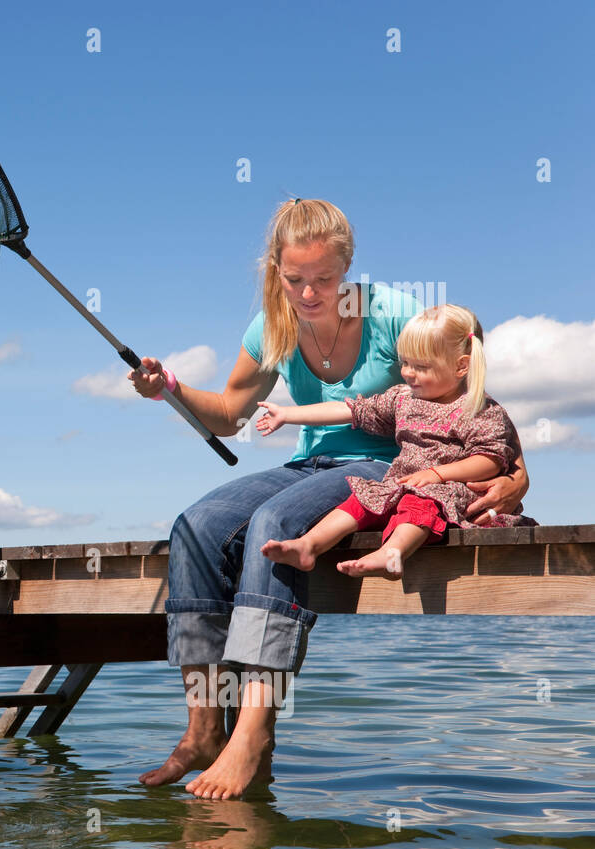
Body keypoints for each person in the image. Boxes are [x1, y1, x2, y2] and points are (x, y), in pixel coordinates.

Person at [128, 199, 531, 799]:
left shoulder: (395, 312)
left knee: (273, 522)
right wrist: (171, 389)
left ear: (348, 267)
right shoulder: (271, 325)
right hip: (307, 462)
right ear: (276, 270)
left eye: (325, 279)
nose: (310, 293)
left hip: (386, 465)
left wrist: (516, 474)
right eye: (296, 280)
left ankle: (255, 732)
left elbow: (467, 398)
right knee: (196, 525)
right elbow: (231, 416)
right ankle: (206, 725)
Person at [257, 304, 537, 579]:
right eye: (404, 362)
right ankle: (309, 546)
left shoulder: (478, 410)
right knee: (361, 499)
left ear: (461, 366)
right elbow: (352, 410)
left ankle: (392, 553)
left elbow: (488, 460)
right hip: (404, 483)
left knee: (421, 503)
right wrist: (288, 414)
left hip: (449, 491)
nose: (408, 372)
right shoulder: (403, 399)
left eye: (421, 366)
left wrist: (437, 475)